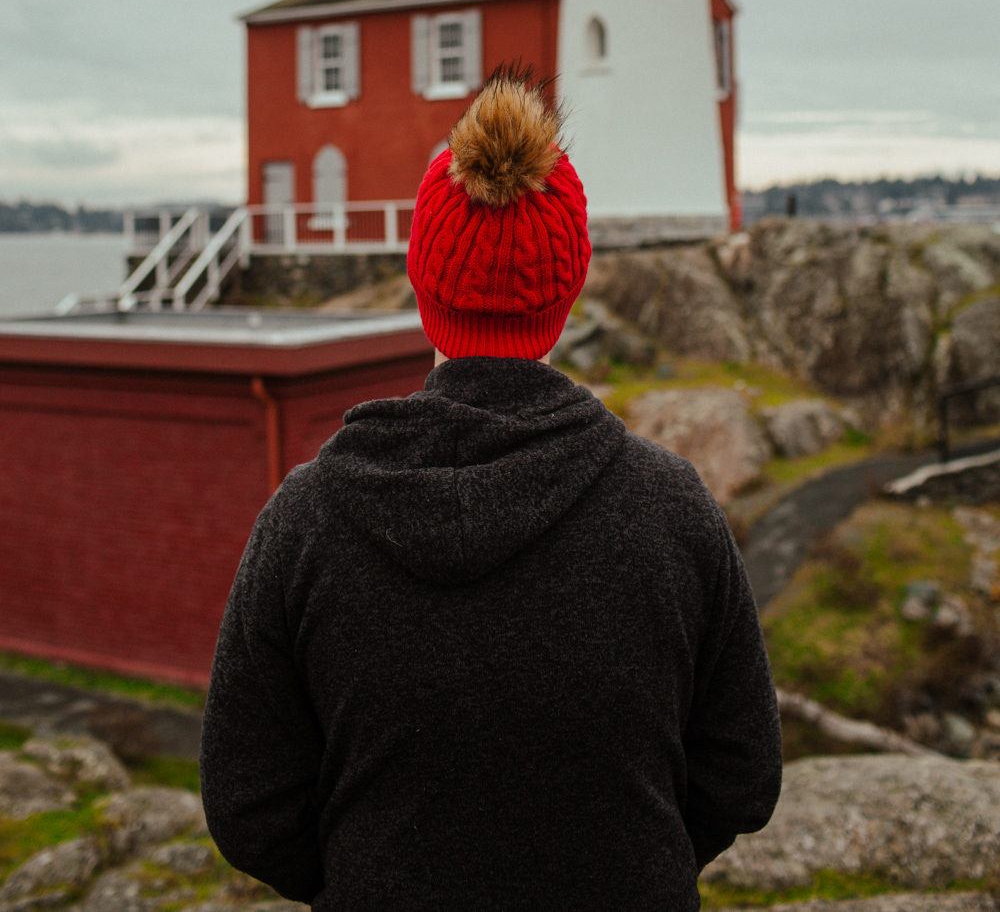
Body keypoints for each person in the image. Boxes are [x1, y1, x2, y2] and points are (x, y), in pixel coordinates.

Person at [198, 60, 783, 911]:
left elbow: (248, 803)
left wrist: (371, 876)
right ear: (569, 286)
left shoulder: (308, 517)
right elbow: (741, 775)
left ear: (422, 279)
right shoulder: (671, 507)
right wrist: (631, 864)